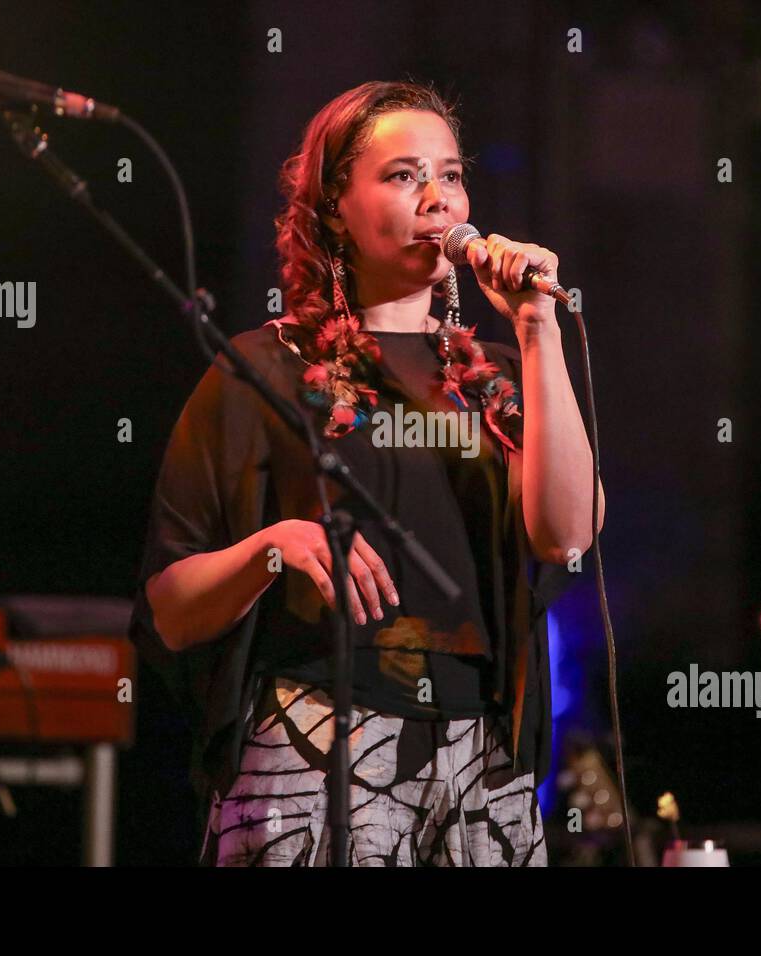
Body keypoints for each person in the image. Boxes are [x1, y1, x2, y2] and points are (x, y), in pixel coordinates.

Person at [127, 80, 605, 866]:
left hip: (479, 763)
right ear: (333, 208)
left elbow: (569, 533)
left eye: (450, 174)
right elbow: (170, 610)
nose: (437, 198)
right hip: (314, 749)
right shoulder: (261, 371)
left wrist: (535, 327)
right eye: (402, 175)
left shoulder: (487, 386)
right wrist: (272, 547)